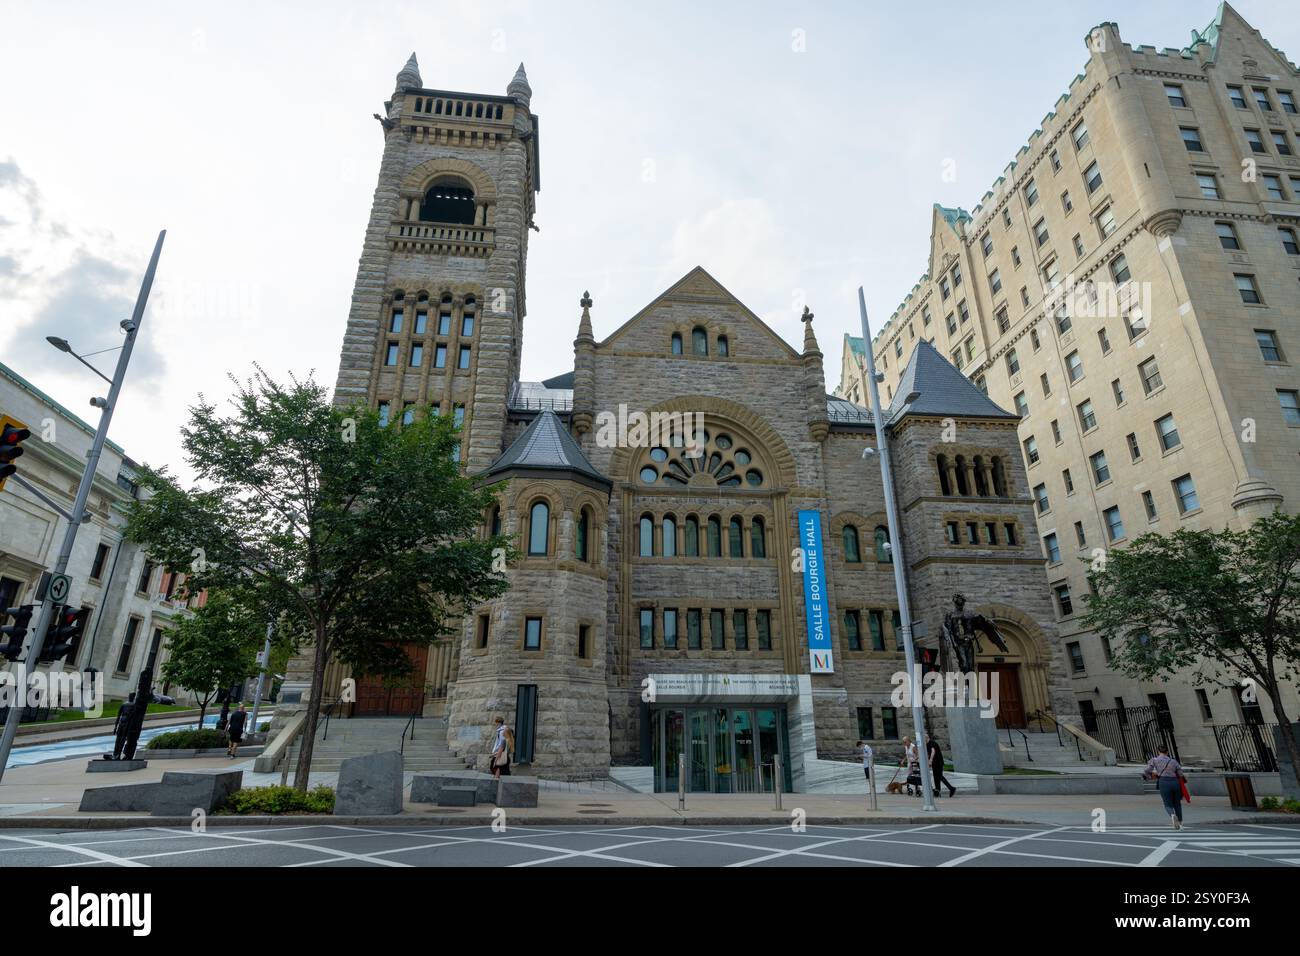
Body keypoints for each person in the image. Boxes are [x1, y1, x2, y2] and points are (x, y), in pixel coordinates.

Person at [1143, 744, 1187, 830]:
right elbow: (1180, 774)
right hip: (1175, 782)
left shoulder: (1154, 760)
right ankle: (1180, 822)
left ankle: (1172, 815)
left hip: (1164, 782)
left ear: (1158, 751)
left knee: (1167, 804)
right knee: (1177, 803)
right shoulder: (1173, 761)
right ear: (1167, 752)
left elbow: (1147, 770)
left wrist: (1148, 777)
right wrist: (1184, 780)